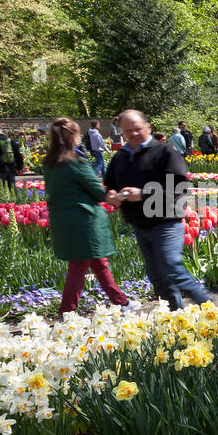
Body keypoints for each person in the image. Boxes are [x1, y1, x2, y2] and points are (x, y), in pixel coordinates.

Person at [104, 109, 210, 310]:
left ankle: (209, 305)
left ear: (148, 127)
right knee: (157, 278)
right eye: (128, 131)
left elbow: (179, 186)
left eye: (137, 129)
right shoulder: (120, 158)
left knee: (171, 268)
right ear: (122, 132)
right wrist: (110, 195)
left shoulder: (165, 152)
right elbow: (109, 185)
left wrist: (142, 194)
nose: (133, 134)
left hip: (166, 222)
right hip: (140, 226)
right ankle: (175, 318)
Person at [42, 118, 134, 316]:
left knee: (99, 264)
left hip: (63, 221)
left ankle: (122, 302)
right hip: (83, 221)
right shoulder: (76, 162)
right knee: (78, 267)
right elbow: (97, 190)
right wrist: (117, 197)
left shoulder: (50, 163)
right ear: (74, 136)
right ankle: (67, 312)